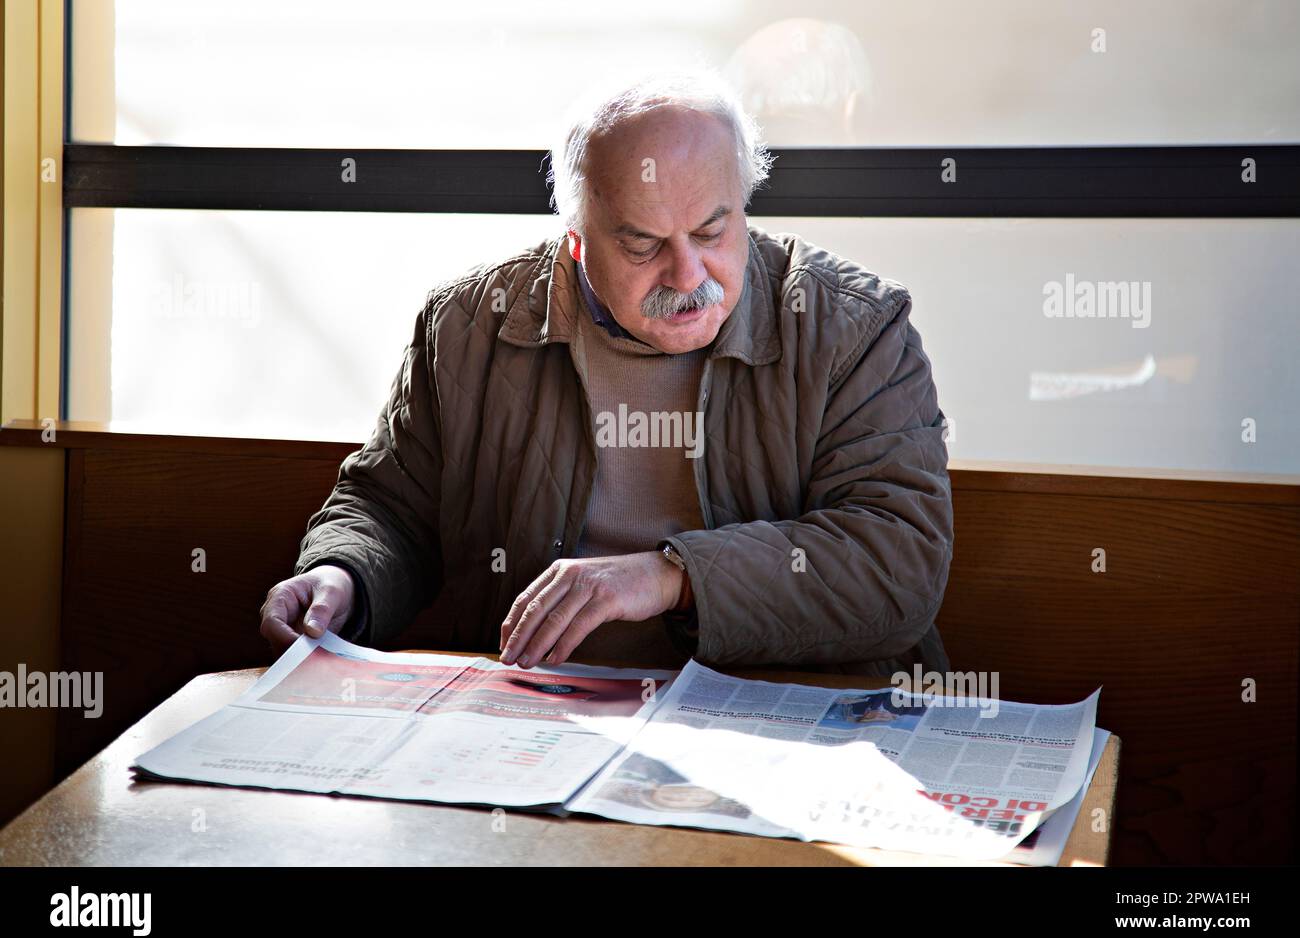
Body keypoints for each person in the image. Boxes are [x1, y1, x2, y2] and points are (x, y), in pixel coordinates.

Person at [260, 69, 954, 678]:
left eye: (711, 232)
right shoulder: (468, 326)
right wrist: (343, 575)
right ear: (574, 240)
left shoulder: (852, 328)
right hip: (539, 718)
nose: (689, 275)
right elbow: (390, 507)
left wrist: (671, 576)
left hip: (779, 721)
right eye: (643, 244)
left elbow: (897, 562)